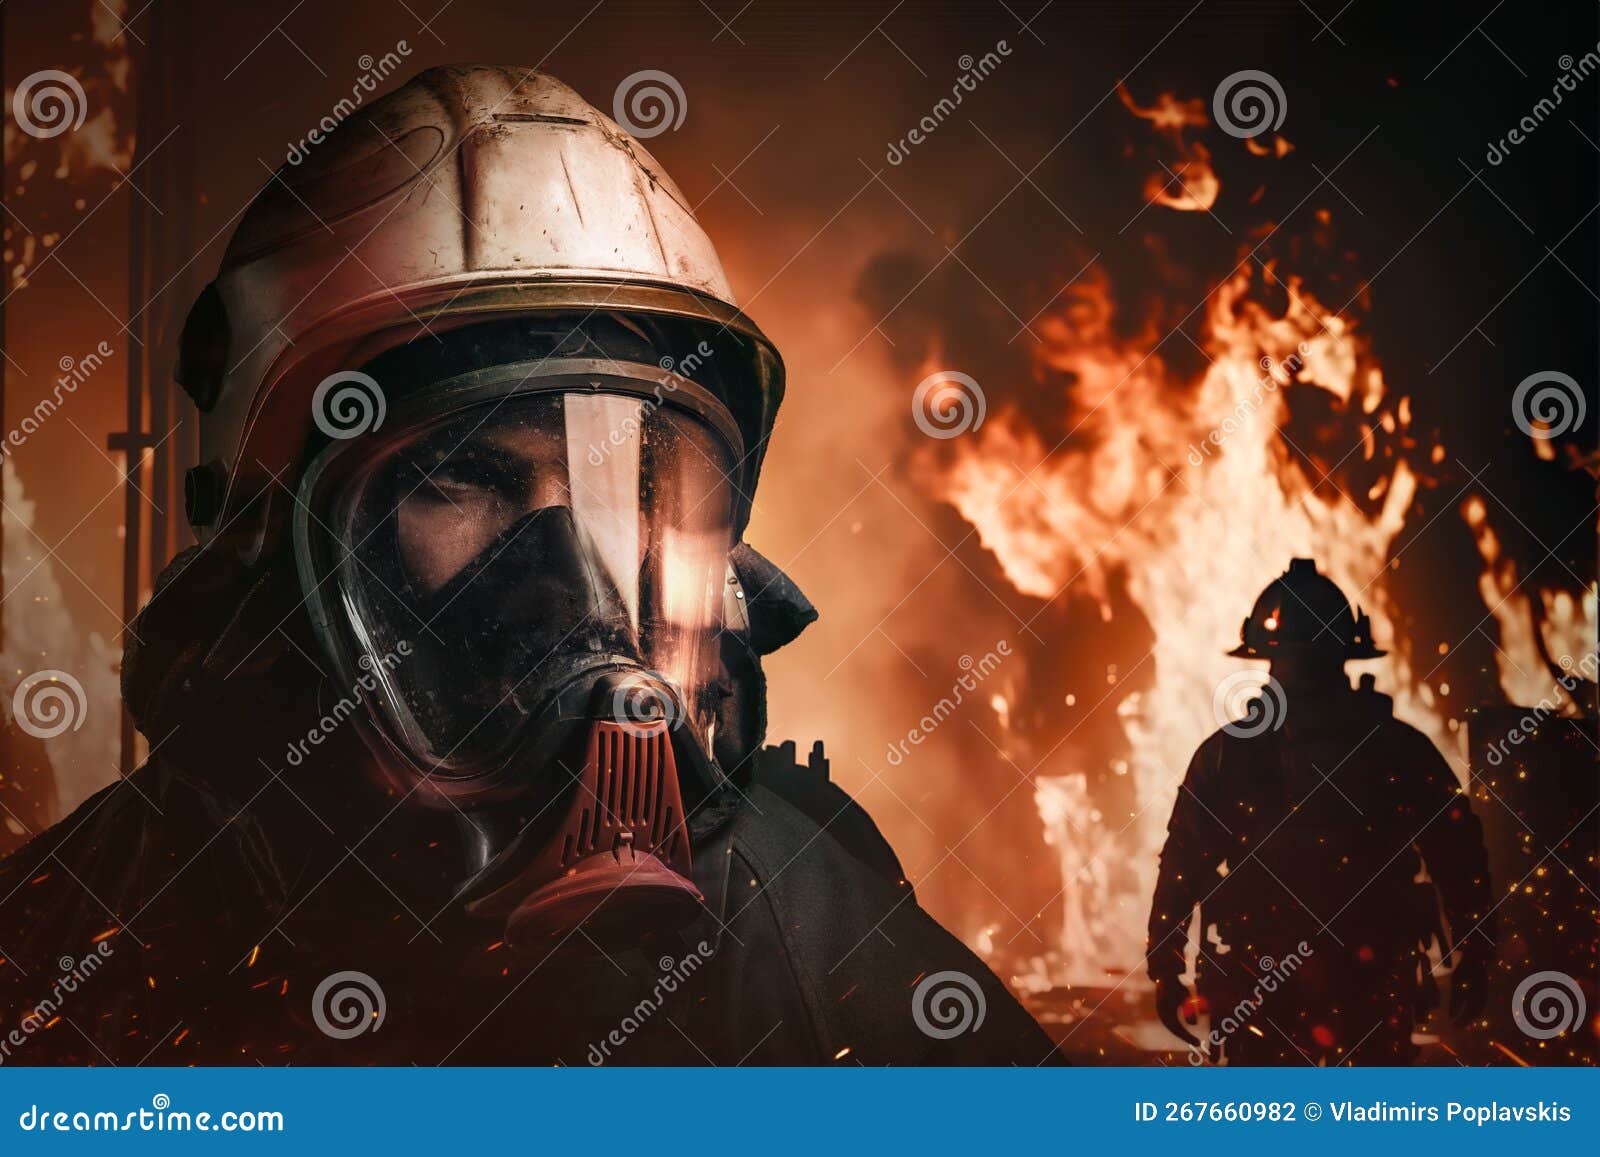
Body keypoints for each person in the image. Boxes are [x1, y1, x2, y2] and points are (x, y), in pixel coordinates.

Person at [0, 66, 1052, 1066]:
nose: (577, 582)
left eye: (637, 485)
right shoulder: (66, 961)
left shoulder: (830, 958)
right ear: (259, 568)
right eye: (462, 476)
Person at [1147, 558, 1495, 1064]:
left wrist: (1167, 969)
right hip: (1367, 976)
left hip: (1263, 979)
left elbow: (1183, 864)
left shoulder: (1227, 754)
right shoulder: (1398, 746)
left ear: (1265, 656)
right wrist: (1474, 955)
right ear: (1347, 654)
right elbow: (1459, 854)